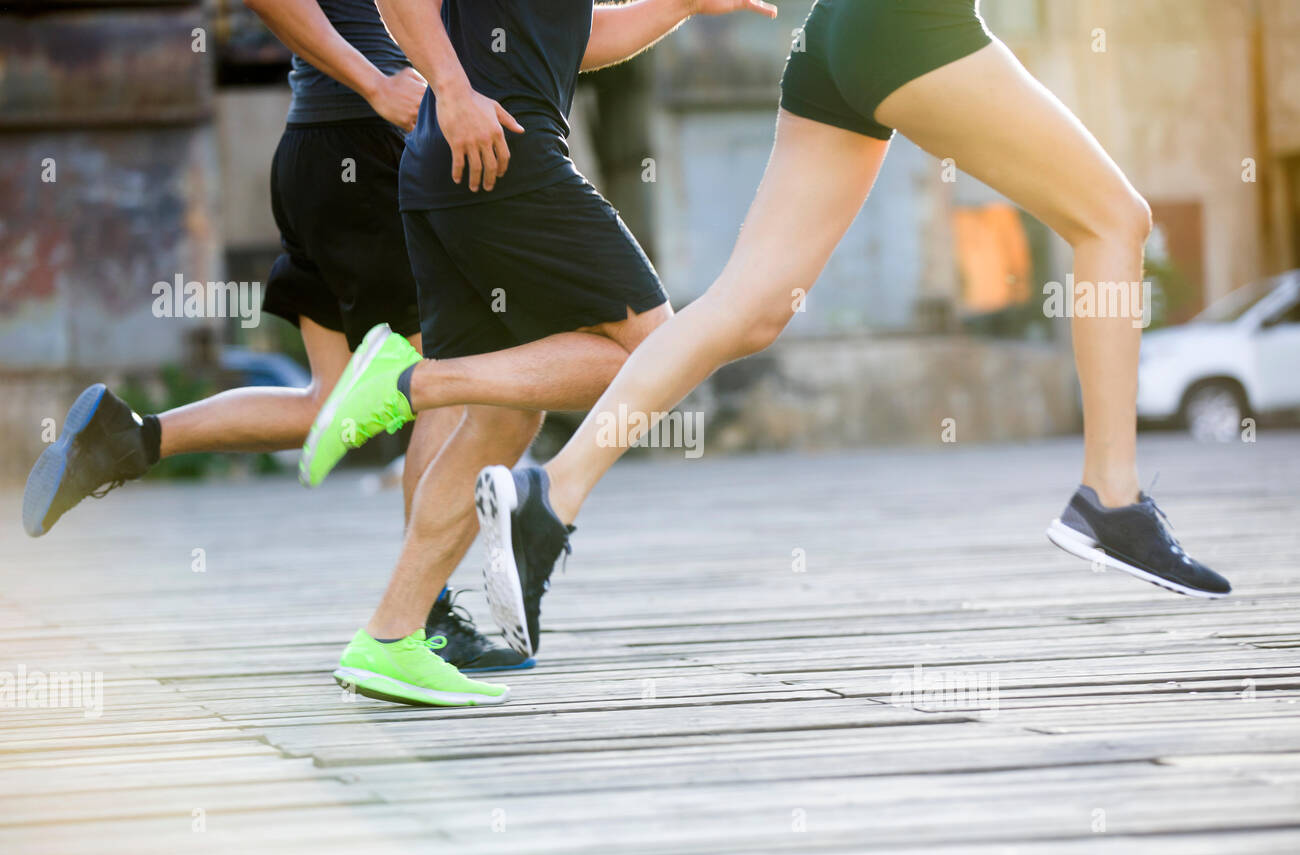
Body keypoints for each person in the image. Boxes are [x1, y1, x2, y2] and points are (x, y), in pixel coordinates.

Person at [469, 0, 1232, 655]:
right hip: (911, 28)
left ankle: (550, 497)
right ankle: (1112, 497)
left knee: (749, 305)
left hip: (837, 35)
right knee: (1115, 221)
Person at [20, 0, 510, 705]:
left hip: (324, 147)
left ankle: (126, 440)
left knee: (335, 398)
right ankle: (421, 620)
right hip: (365, 141)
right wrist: (377, 83)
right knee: (440, 377)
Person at [300, 0, 779, 698]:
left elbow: (573, 39)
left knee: (501, 420)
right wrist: (456, 91)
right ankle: (415, 383)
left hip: (459, 163)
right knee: (656, 349)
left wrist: (683, 4)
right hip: (503, 155)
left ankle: (390, 637)